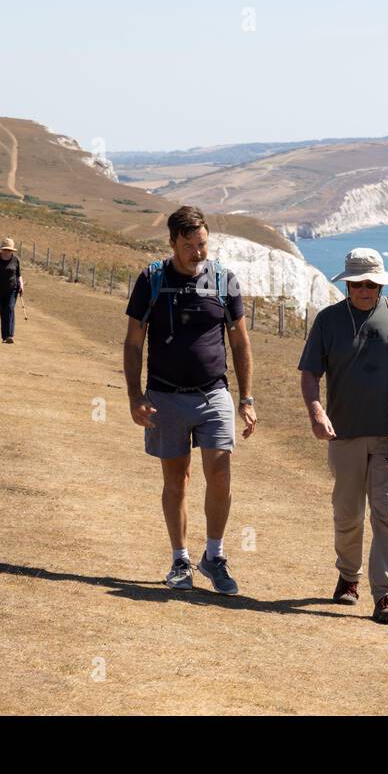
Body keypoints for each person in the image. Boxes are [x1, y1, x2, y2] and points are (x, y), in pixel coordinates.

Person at [297, 247, 388, 626]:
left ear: (380, 282)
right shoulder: (328, 321)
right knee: (347, 513)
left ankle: (386, 594)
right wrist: (315, 411)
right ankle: (348, 575)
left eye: (371, 283)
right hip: (344, 434)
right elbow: (310, 373)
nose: (365, 290)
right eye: (358, 283)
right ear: (347, 284)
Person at [123, 205, 256, 595]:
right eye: (189, 246)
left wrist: (246, 398)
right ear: (172, 243)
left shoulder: (224, 281)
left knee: (220, 475)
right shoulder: (151, 280)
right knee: (177, 480)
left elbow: (240, 341)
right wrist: (135, 396)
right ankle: (180, 560)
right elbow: (133, 342)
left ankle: (213, 557)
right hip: (165, 396)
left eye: (203, 244)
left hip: (214, 394)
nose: (198, 253)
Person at [0, 238, 24, 343]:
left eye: (9, 250)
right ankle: (4, 336)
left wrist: (21, 284)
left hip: (12, 289)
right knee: (3, 312)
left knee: (10, 308)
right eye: (5, 249)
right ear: (1, 249)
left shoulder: (15, 260)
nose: (7, 252)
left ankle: (10, 335)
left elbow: (19, 274)